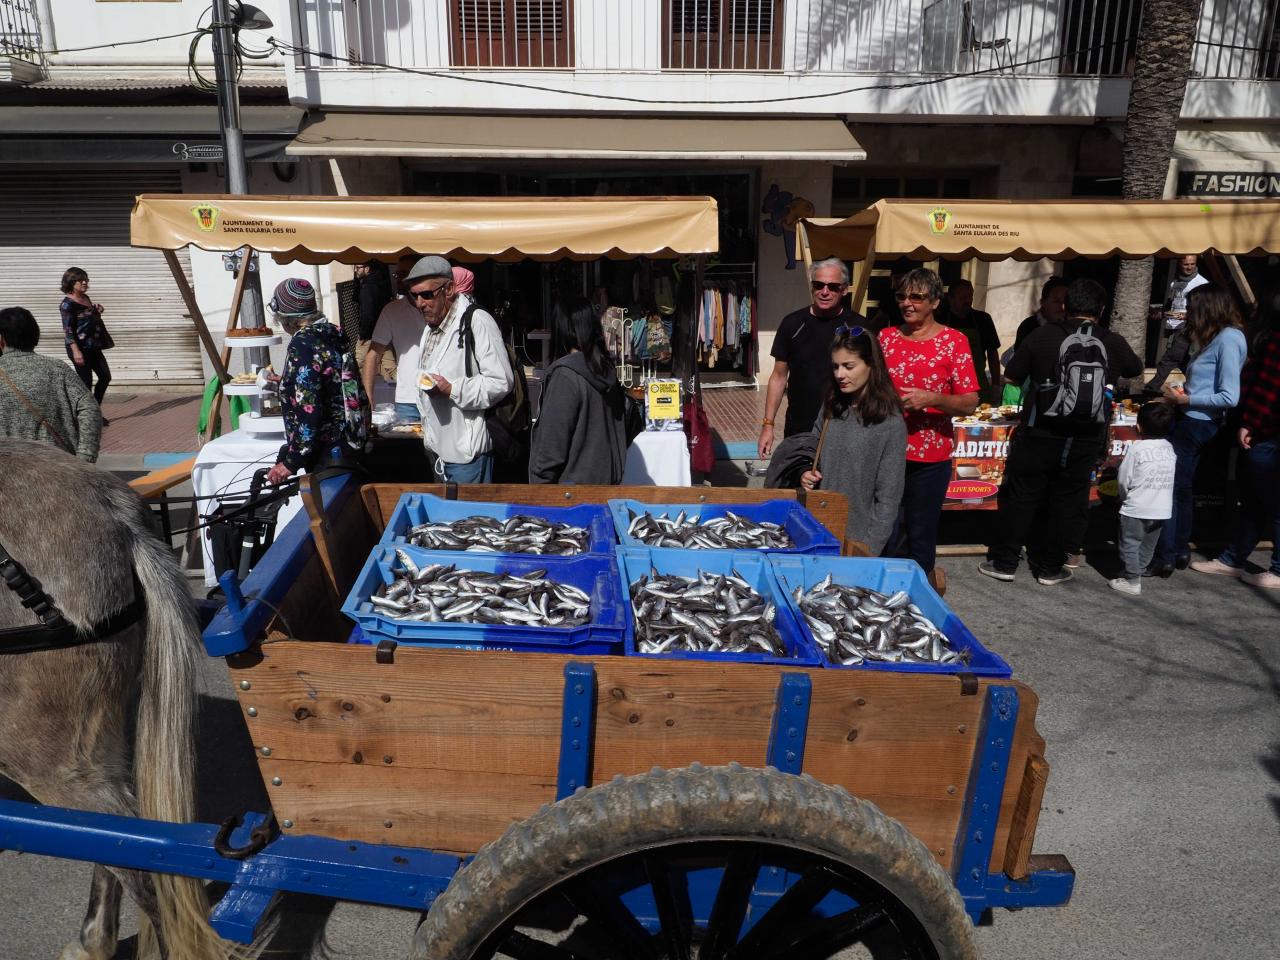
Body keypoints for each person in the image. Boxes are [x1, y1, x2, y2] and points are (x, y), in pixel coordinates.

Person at [980, 278, 1143, 585]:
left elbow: (1011, 377)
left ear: (1066, 307)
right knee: (1067, 500)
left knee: (1022, 497)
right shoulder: (1113, 341)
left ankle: (1004, 563)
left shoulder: (1043, 335)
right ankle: (1051, 567)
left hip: (1039, 430)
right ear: (1102, 310)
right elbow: (1135, 369)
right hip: (1086, 437)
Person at [879, 268, 980, 576]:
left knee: (921, 534)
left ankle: (917, 604)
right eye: (902, 296)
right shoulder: (885, 338)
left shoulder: (954, 341)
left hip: (930, 457)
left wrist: (932, 399)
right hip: (886, 452)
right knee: (884, 531)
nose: (907, 303)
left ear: (935, 302)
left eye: (916, 297)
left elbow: (970, 401)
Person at [1147, 285, 1247, 577]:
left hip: (1198, 421)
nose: (1188, 314)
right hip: (1193, 417)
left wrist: (1185, 399)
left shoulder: (1229, 339)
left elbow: (1229, 396)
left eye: (1192, 308)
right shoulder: (1217, 338)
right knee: (1182, 488)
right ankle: (1177, 550)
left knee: (1172, 487)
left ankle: (1165, 554)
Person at [1190, 290, 1280, 589]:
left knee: (1271, 499)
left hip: (1267, 431)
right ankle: (1233, 559)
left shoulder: (1272, 340)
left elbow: (1267, 387)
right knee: (1253, 498)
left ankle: (1277, 568)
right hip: (1264, 430)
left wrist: (1250, 423)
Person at [800, 325, 907, 555]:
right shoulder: (832, 406)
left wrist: (867, 550)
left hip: (856, 541)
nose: (840, 374)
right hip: (815, 531)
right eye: (836, 366)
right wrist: (805, 472)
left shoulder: (890, 423)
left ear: (871, 365)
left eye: (849, 366)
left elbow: (888, 500)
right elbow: (811, 450)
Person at [407, 255, 514, 484]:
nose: (419, 303)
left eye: (427, 294)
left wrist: (452, 389)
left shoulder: (477, 321)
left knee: (470, 519)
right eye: (414, 296)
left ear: (449, 289)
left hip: (469, 454)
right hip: (439, 451)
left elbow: (501, 382)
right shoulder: (430, 327)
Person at [264, 279, 368, 485]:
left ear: (285, 318)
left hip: (326, 450)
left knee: (328, 512)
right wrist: (287, 383)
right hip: (348, 440)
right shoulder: (332, 333)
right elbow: (329, 383)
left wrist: (291, 462)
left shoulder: (302, 344)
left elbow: (310, 408)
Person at [759, 258, 865, 459]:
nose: (824, 292)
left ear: (844, 290)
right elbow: (779, 377)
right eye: (818, 285)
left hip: (846, 427)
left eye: (832, 287)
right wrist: (768, 425)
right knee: (800, 485)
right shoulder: (792, 323)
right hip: (800, 427)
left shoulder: (859, 328)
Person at [528, 297, 627, 485]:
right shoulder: (605, 370)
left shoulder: (566, 375)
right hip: (606, 486)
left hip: (570, 494)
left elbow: (551, 446)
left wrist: (540, 488)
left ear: (561, 330)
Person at [0, 306, 101, 461]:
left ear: (1, 340)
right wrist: (85, 458)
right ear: (35, 335)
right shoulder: (57, 368)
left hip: (10, 477)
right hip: (61, 472)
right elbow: (90, 408)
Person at [1108, 401, 1176, 596]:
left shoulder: (1137, 448)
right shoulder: (1170, 448)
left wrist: (1123, 497)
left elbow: (1124, 478)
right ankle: (1138, 570)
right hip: (1162, 508)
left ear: (1138, 427)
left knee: (1129, 542)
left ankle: (1132, 580)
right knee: (1148, 544)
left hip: (1137, 507)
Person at [363, 263, 427, 423]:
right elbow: (373, 355)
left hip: (441, 397)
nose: (397, 279)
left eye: (403, 274)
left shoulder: (441, 308)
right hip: (407, 401)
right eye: (397, 275)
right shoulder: (391, 310)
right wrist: (368, 398)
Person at [59, 266, 113, 419]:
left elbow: (86, 314)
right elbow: (68, 330)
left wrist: (96, 308)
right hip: (79, 348)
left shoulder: (85, 298)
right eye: (80, 280)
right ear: (71, 282)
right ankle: (85, 416)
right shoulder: (67, 305)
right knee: (86, 383)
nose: (84, 282)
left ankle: (93, 411)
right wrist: (76, 351)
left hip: (93, 345)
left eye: (86, 279)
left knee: (105, 376)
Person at [940, 279, 1002, 402]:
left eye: (970, 297)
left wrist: (996, 385)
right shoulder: (939, 320)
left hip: (977, 383)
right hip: (947, 384)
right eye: (963, 297)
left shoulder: (983, 319)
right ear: (951, 298)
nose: (968, 301)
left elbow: (993, 354)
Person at [1012, 277, 1069, 352]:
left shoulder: (1071, 327)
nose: (1062, 306)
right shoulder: (1028, 326)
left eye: (1066, 301)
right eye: (1057, 301)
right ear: (1043, 302)